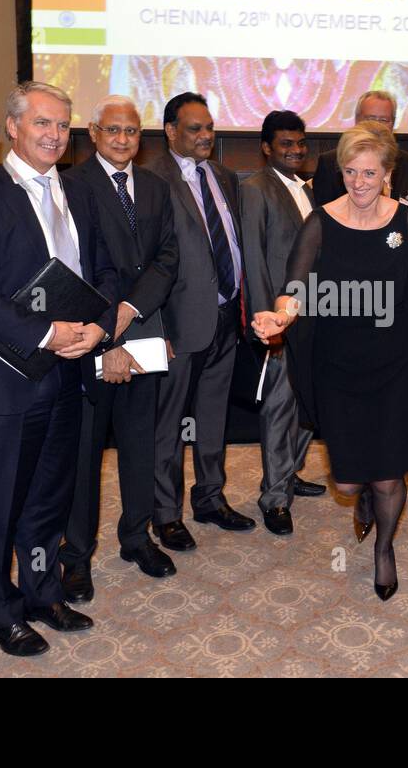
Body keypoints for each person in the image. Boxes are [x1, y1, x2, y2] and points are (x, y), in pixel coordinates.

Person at [252, 124, 408, 600]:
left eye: (369, 174)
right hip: (338, 366)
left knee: (389, 473)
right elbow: (295, 288)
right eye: (351, 172)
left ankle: (384, 549)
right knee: (351, 482)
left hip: (396, 362)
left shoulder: (407, 223)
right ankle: (366, 506)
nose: (358, 183)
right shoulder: (320, 222)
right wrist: (279, 317)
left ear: (388, 175)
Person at [0, 81, 118, 656]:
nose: (54, 135)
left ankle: (43, 592)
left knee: (50, 496)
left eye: (62, 125)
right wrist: (46, 332)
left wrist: (99, 327)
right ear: (13, 127)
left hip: (69, 370)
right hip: (6, 374)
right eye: (42, 123)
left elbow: (105, 272)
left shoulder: (79, 192)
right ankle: (2, 613)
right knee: (2, 501)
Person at [61, 95, 180, 590]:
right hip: (92, 340)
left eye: (131, 131)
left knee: (139, 446)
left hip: (144, 330)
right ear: (93, 132)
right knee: (84, 455)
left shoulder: (154, 187)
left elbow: (168, 259)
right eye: (113, 130)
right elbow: (77, 268)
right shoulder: (71, 184)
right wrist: (108, 339)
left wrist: (133, 316)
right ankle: (77, 555)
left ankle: (136, 537)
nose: (123, 139)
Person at [144, 91, 257, 551]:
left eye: (209, 127)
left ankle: (210, 497)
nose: (205, 136)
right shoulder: (151, 179)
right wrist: (156, 329)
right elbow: (148, 260)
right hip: (178, 324)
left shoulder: (225, 177)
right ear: (170, 131)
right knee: (168, 425)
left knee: (212, 417)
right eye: (194, 128)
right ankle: (166, 513)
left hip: (226, 316)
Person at [240, 110, 328, 536]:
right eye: (286, 144)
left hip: (313, 316)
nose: (295, 151)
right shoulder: (256, 189)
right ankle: (274, 498)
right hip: (279, 320)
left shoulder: (306, 190)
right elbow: (254, 260)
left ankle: (289, 473)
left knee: (307, 405)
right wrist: (267, 322)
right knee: (278, 410)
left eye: (300, 143)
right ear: (266, 147)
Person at [311, 90, 408, 244]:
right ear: (356, 120)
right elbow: (322, 224)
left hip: (399, 256)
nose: (376, 125)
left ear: (393, 123)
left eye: (384, 119)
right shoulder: (330, 162)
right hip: (346, 250)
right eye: (370, 118)